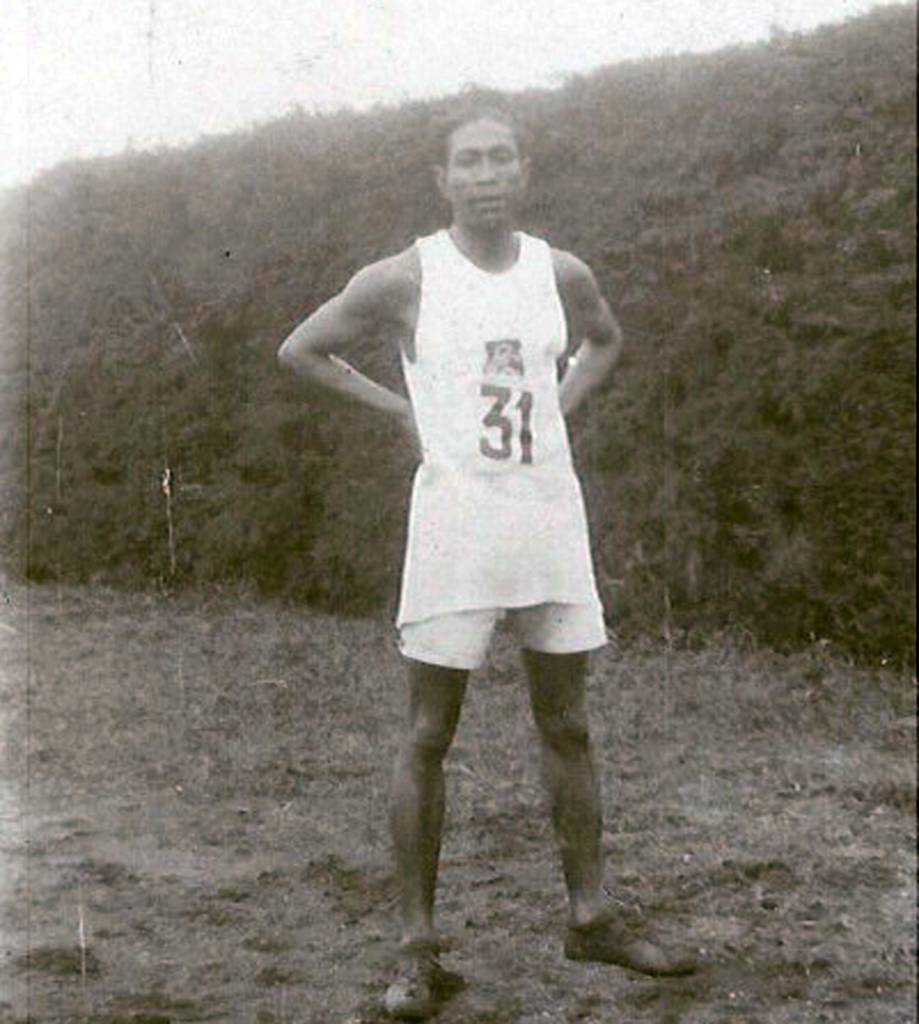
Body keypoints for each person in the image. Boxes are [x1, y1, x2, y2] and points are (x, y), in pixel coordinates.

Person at [278, 106, 695, 1020]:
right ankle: (416, 950)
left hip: (546, 517)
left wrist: (556, 409)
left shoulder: (560, 271)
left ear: (524, 169)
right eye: (467, 161)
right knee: (428, 733)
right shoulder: (405, 276)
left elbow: (605, 340)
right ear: (442, 178)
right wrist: (400, 411)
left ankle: (589, 917)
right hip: (455, 527)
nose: (485, 174)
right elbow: (301, 349)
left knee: (567, 721)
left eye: (500, 157)